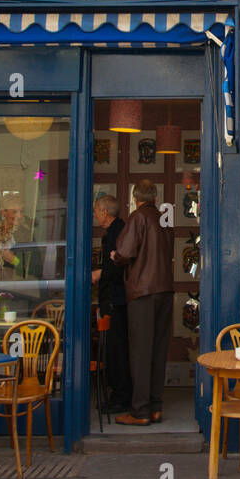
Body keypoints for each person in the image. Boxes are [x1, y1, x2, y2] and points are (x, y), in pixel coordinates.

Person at [110, 179, 174, 426]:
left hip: (143, 292)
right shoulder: (163, 219)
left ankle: (140, 411)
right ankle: (156, 406)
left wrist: (116, 256)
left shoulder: (138, 218)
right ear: (156, 199)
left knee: (140, 352)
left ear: (135, 198)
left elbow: (125, 252)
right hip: (165, 289)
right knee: (159, 349)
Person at [91, 193, 132, 414]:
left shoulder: (117, 233)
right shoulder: (117, 230)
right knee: (116, 348)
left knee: (117, 350)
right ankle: (119, 393)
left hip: (117, 299)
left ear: (104, 212)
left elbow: (117, 267)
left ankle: (120, 397)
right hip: (114, 298)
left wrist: (100, 273)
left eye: (97, 211)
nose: (95, 215)